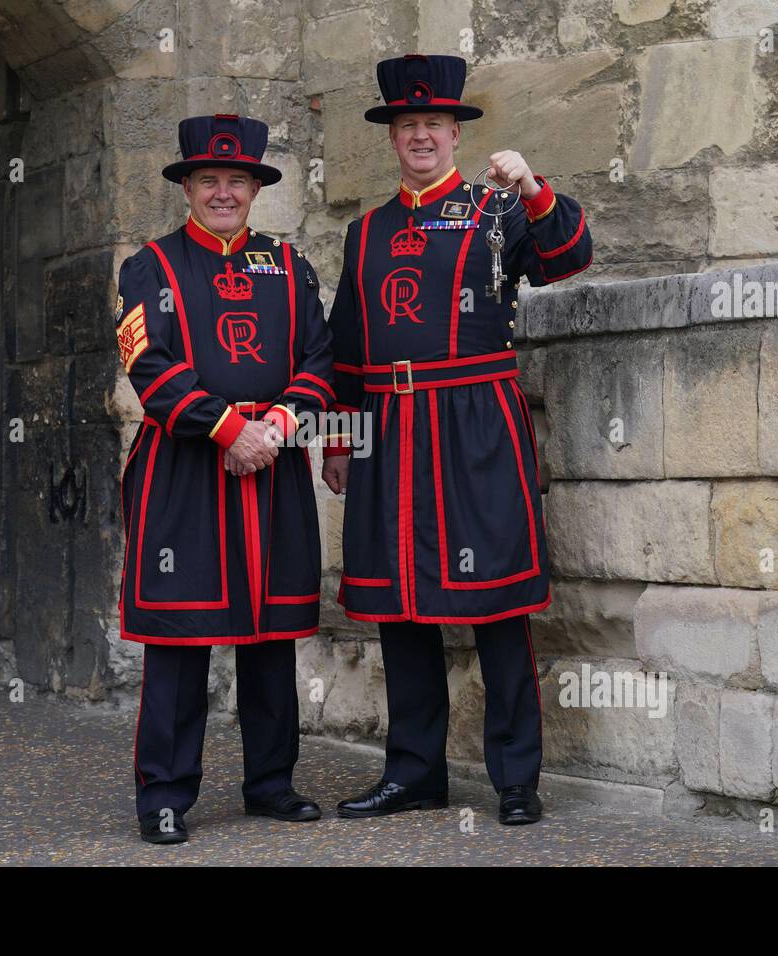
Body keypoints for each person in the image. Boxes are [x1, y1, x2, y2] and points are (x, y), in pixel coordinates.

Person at [322, 54, 592, 824]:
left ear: (454, 134)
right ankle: (414, 773)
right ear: (393, 138)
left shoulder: (496, 209)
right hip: (387, 427)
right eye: (408, 126)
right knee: (401, 609)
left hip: (476, 421)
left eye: (433, 125)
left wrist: (535, 187)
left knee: (497, 602)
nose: (421, 137)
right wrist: (337, 437)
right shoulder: (365, 231)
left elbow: (570, 258)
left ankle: (515, 779)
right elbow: (346, 345)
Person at [115, 114, 335, 844]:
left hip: (272, 462)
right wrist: (226, 429)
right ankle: (166, 796)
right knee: (179, 636)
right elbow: (150, 367)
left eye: (235, 180)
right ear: (187, 186)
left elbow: (319, 360)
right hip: (186, 466)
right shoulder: (150, 265)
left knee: (273, 632)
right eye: (208, 179)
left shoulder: (289, 264)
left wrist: (276, 428)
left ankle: (271, 783)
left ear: (253, 189)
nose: (222, 192)